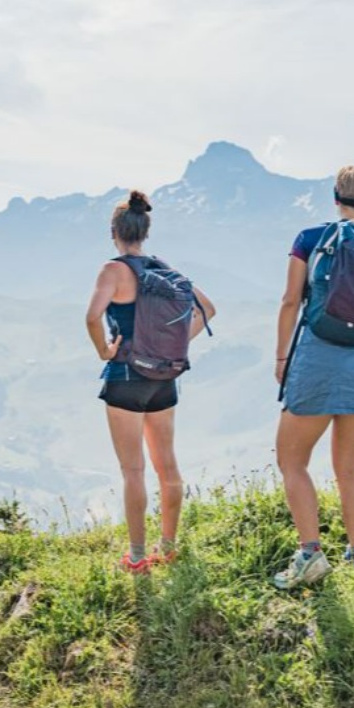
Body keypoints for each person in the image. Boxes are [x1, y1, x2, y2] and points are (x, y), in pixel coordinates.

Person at [271, 165, 354, 589]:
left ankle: (310, 555)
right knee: (349, 467)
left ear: (335, 196)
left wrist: (280, 356)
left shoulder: (310, 240)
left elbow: (291, 300)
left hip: (314, 362)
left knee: (292, 460)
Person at [85, 191, 216, 573]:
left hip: (126, 376)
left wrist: (104, 351)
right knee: (168, 468)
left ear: (114, 232)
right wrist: (174, 343)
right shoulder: (164, 269)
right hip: (164, 377)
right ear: (146, 231)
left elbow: (93, 317)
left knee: (133, 471)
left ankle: (138, 556)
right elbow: (208, 309)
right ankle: (169, 547)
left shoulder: (112, 271)